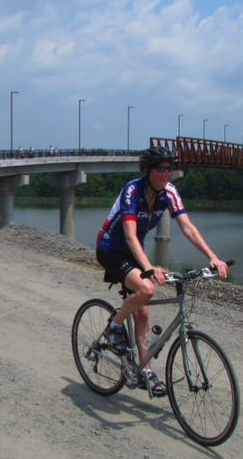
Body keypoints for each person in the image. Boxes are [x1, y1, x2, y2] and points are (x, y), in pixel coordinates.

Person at [96, 146, 229, 396]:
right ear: (146, 171)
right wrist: (148, 267)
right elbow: (130, 235)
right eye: (161, 168)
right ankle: (114, 326)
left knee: (143, 313)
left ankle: (143, 371)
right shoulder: (132, 191)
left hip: (135, 252)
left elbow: (187, 227)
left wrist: (213, 257)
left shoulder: (168, 192)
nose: (167, 173)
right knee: (146, 288)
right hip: (111, 249)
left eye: (170, 168)